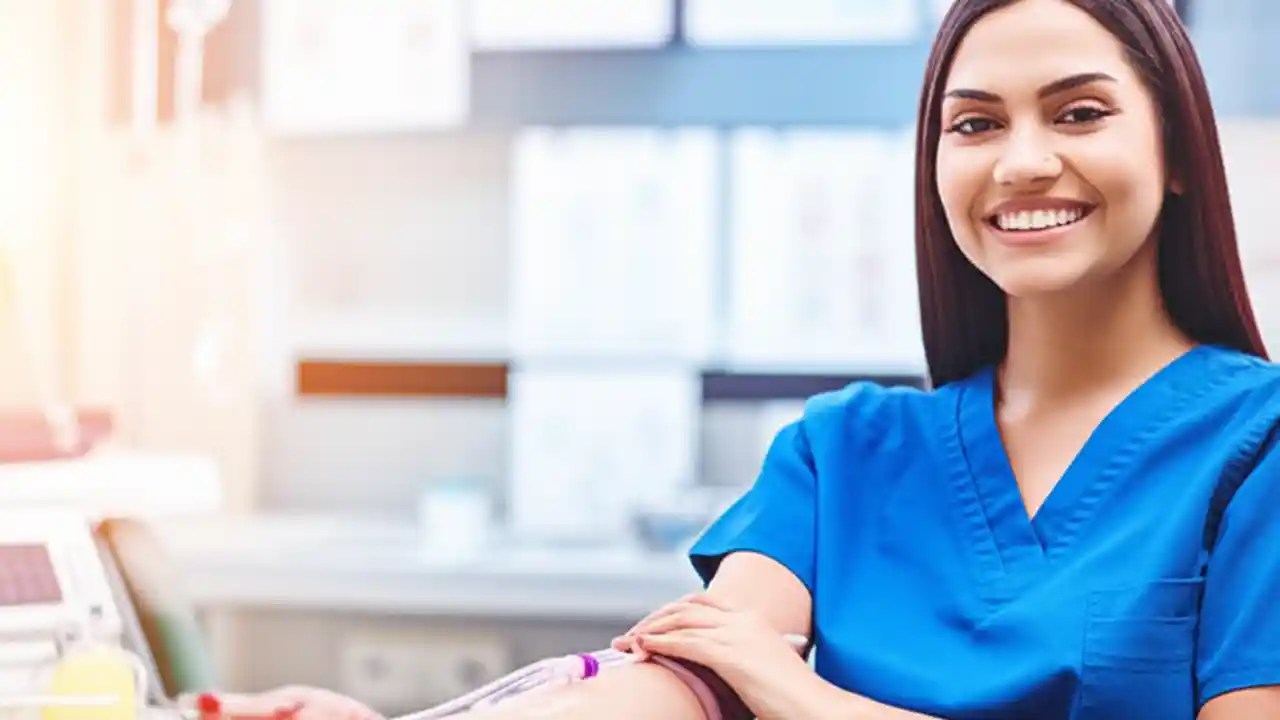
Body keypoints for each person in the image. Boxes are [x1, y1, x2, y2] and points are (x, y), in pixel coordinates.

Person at [228, 0, 1280, 717]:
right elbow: (681, 679)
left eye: (1078, 111)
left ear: (1179, 150)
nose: (1019, 161)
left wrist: (811, 703)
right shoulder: (843, 450)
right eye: (972, 124)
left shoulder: (1255, 447)